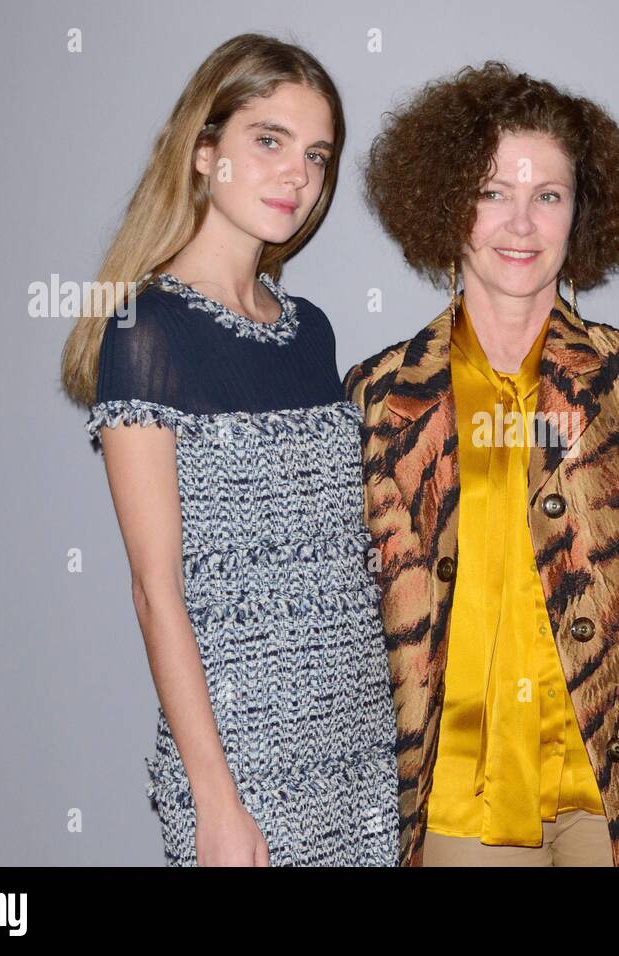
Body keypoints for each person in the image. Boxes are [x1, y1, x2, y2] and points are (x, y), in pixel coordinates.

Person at [345, 62, 619, 866]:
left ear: (580, 214)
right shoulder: (382, 398)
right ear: (447, 204)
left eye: (548, 194)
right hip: (457, 794)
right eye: (492, 192)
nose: (521, 222)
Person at [59, 33, 398, 866]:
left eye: (317, 156)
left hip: (361, 744)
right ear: (205, 152)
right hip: (242, 763)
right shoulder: (146, 330)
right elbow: (155, 591)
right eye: (270, 141)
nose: (298, 176)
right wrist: (216, 802)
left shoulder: (308, 331)